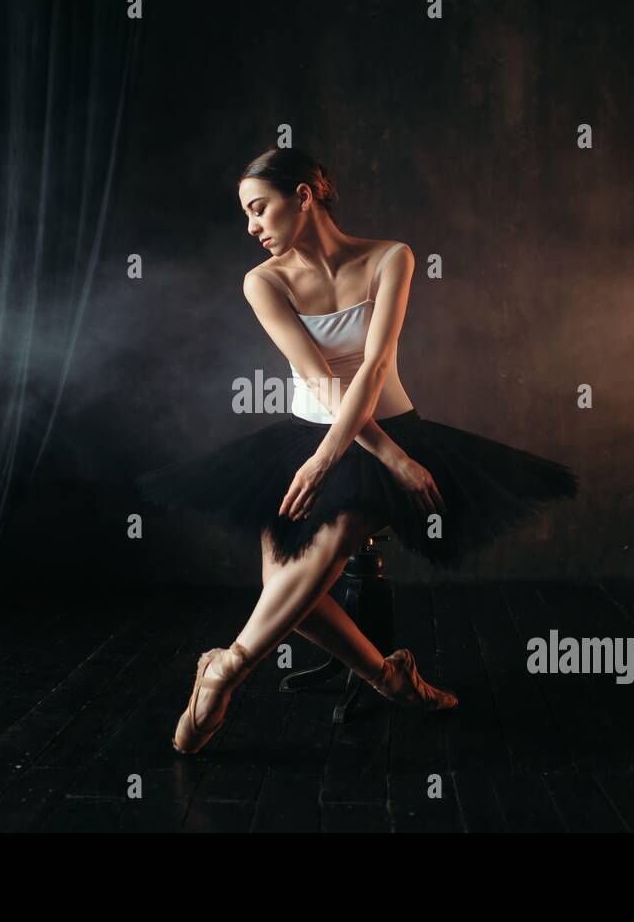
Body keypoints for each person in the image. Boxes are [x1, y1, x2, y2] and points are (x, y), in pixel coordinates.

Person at [136, 147, 579, 754]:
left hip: (394, 431)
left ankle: (225, 669)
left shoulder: (390, 257)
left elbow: (374, 367)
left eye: (259, 209)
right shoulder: (262, 281)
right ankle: (390, 677)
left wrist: (391, 456)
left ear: (304, 195)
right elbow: (318, 378)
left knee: (339, 527)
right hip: (301, 436)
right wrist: (320, 458)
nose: (252, 227)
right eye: (246, 215)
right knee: (286, 592)